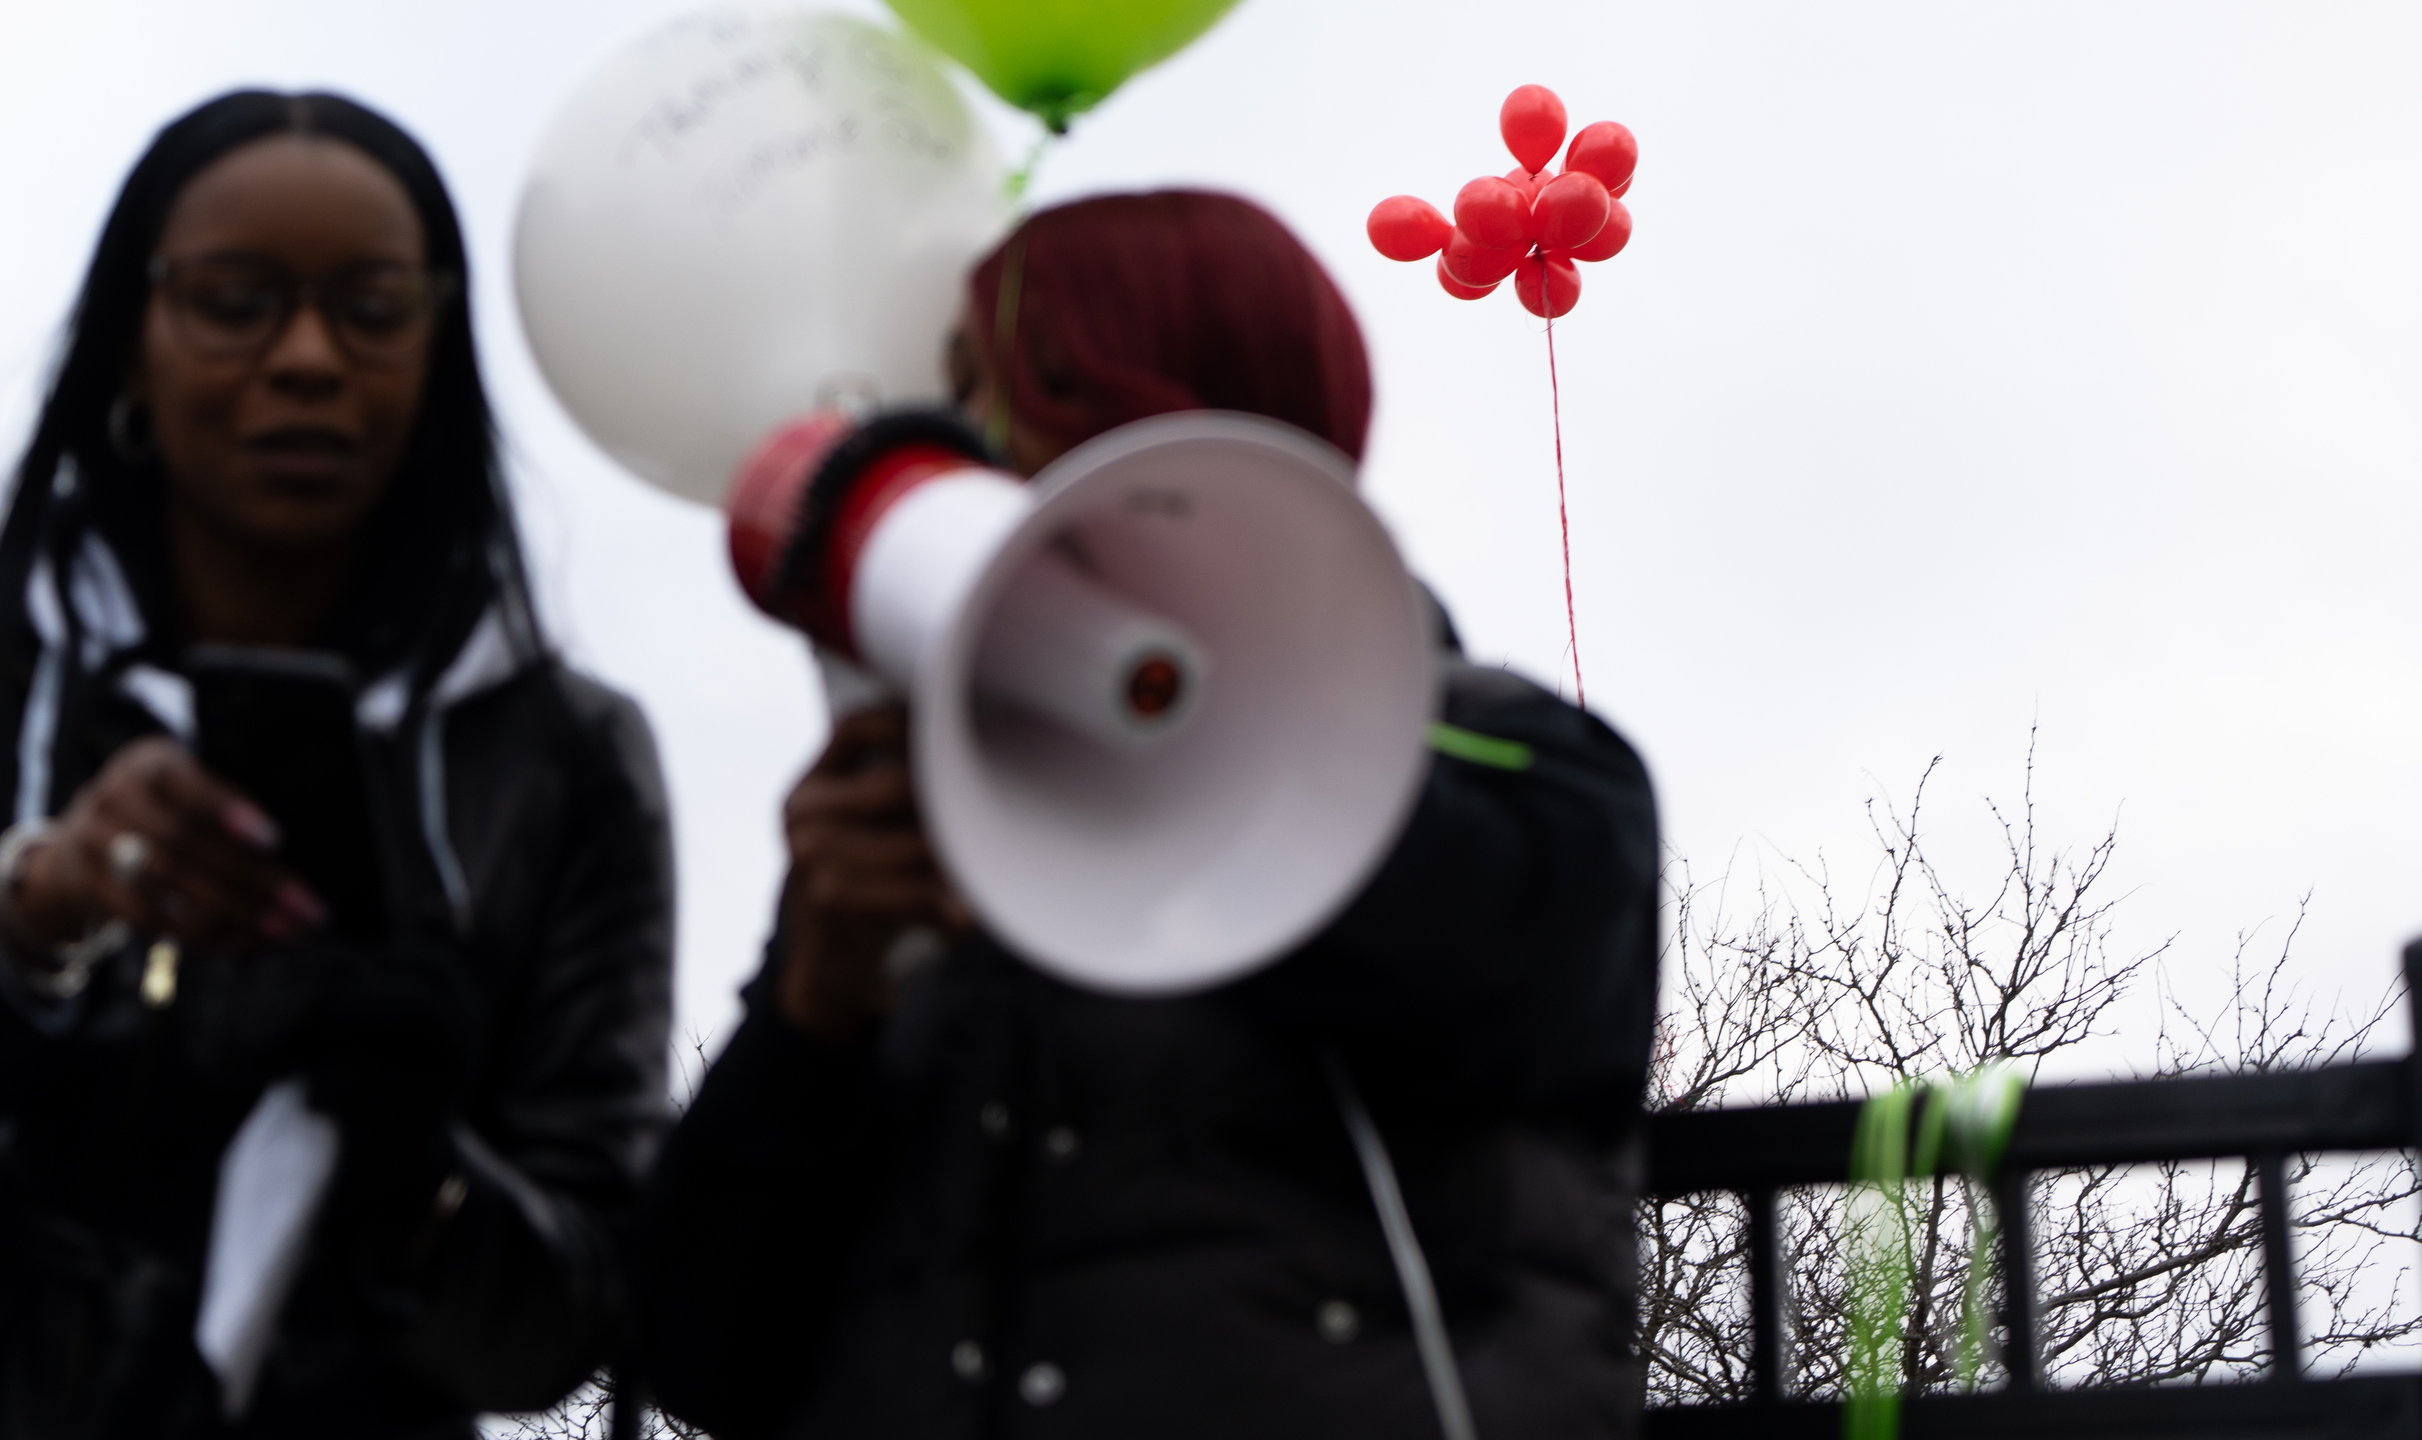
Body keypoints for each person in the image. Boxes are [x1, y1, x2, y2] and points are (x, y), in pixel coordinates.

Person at [0, 91, 675, 1439]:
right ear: (130, 347)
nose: (310, 356)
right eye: (234, 299)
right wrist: (34, 911)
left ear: (439, 351)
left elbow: (561, 1332)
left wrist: (402, 1153)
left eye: (375, 307)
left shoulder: (564, 760)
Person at [635, 189, 1659, 1440]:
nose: (959, 456)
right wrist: (812, 1013)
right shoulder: (925, 816)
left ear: (1166, 411)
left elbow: (1493, 982)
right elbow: (701, 1354)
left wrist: (1172, 733)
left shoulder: (1520, 763)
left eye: (1000, 387)